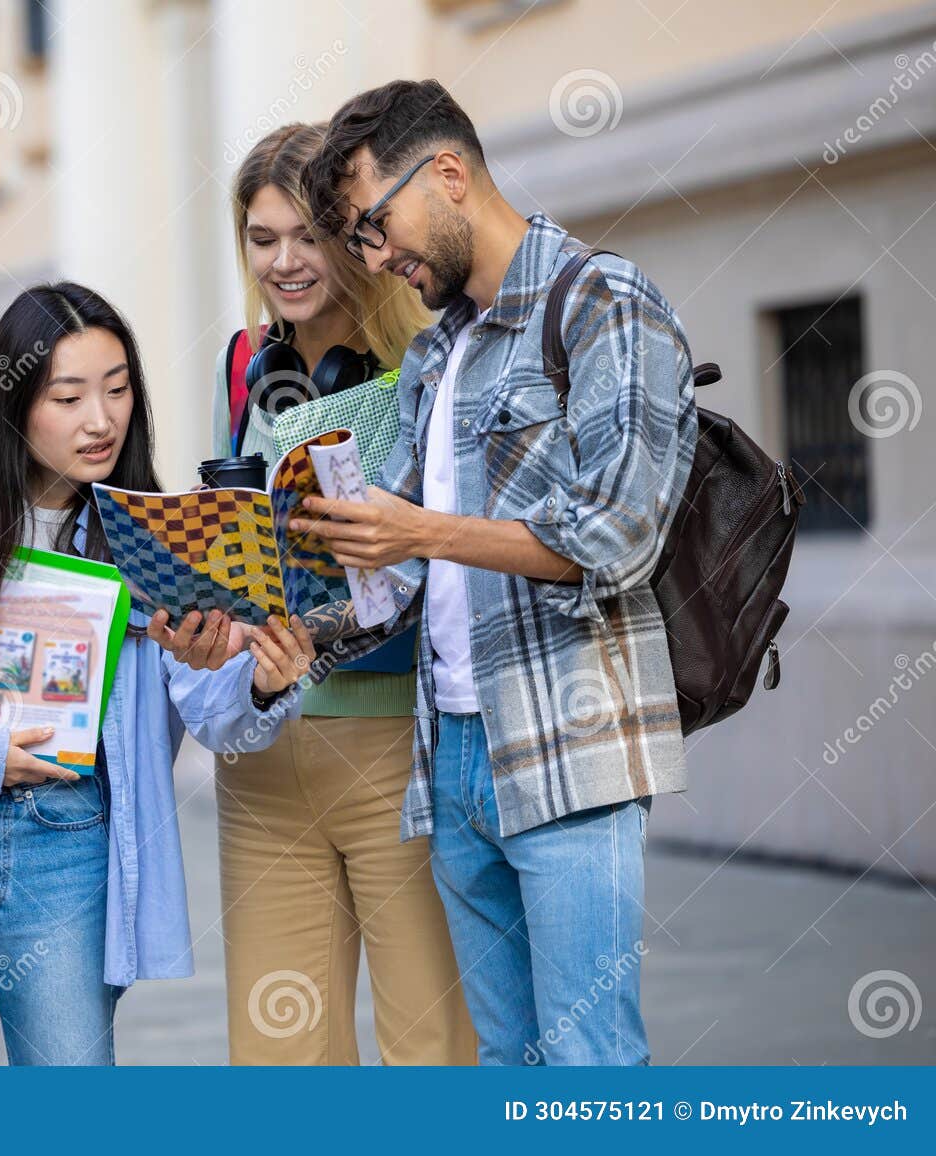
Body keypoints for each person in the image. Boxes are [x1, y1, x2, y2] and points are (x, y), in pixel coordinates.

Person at [289, 79, 698, 1065]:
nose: (379, 258)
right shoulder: (438, 356)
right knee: (504, 1075)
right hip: (453, 757)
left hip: (567, 748)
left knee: (591, 1064)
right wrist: (281, 641)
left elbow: (618, 533)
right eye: (359, 244)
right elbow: (399, 575)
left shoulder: (603, 302)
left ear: (447, 172)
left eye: (375, 227)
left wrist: (420, 528)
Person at [0, 281, 314, 1065]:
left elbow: (210, 707)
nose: (100, 420)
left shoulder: (149, 532)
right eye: (67, 397)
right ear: (13, 404)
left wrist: (260, 679)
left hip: (65, 837)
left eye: (117, 389)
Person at [199, 122, 475, 1065]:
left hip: (396, 741)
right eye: (262, 237)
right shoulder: (244, 362)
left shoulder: (428, 362)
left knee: (427, 1043)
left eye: (308, 235)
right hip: (267, 745)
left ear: (355, 235)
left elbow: (447, 558)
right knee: (279, 1053)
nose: (285, 261)